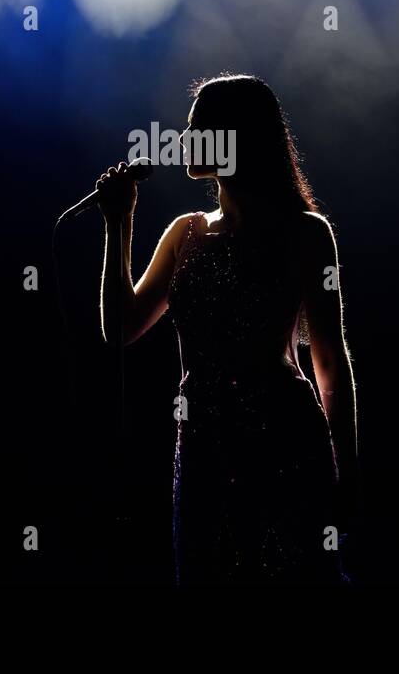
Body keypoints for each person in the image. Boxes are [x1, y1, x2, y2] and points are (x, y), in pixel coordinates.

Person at [95, 73, 358, 583]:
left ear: (236, 138)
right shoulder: (185, 234)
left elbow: (330, 361)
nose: (183, 139)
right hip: (204, 449)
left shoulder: (306, 233)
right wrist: (118, 222)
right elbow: (120, 328)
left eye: (197, 128)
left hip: (283, 443)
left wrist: (348, 476)